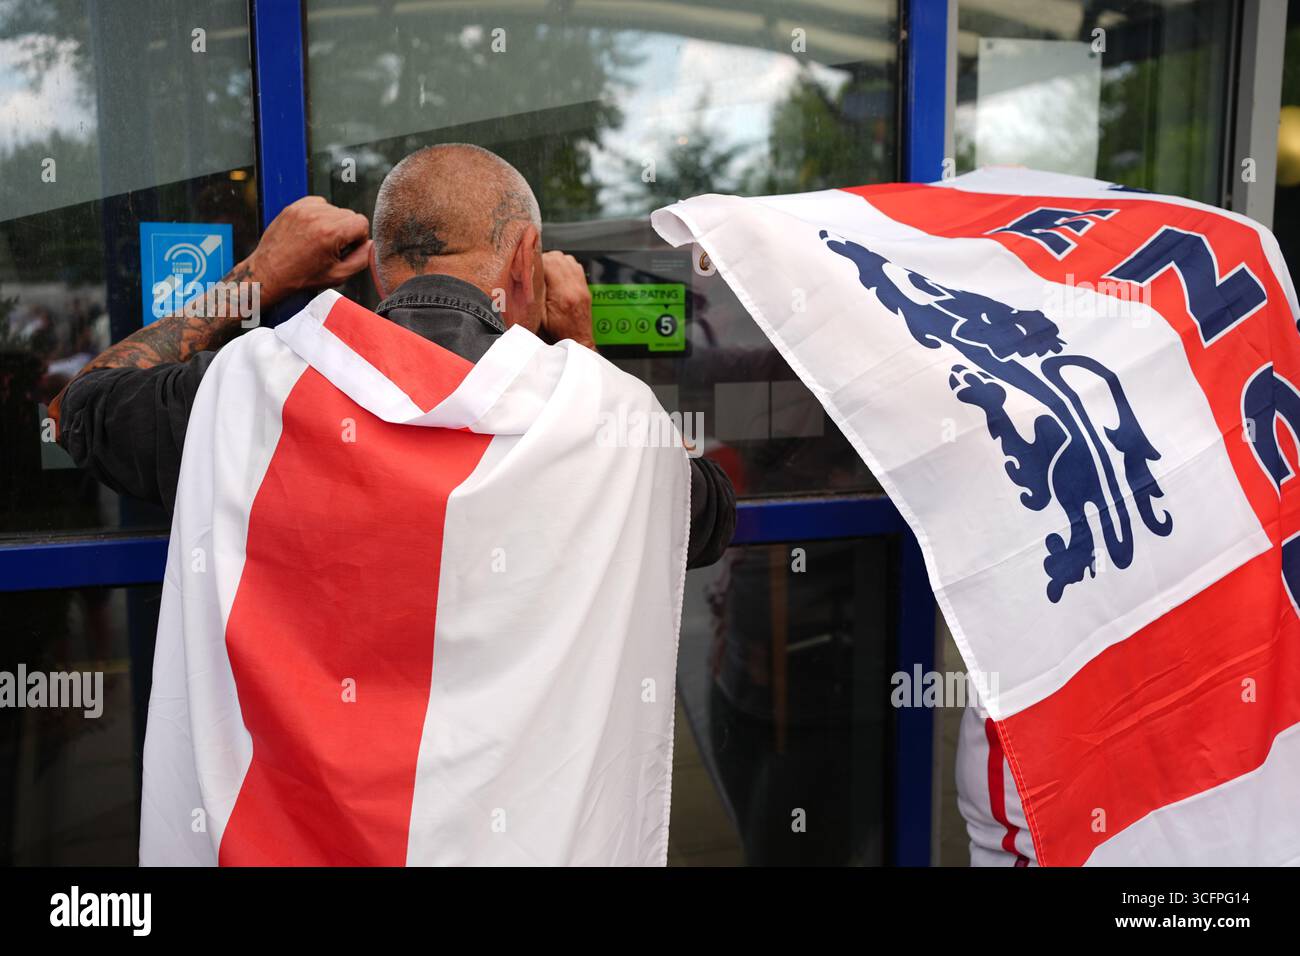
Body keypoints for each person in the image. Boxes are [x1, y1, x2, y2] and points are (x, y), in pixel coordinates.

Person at [51, 144, 734, 567]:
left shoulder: (247, 392)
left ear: (376, 268)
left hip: (306, 803)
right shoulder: (578, 416)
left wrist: (258, 277)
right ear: (527, 258)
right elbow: (702, 521)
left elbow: (80, 406)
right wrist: (582, 349)